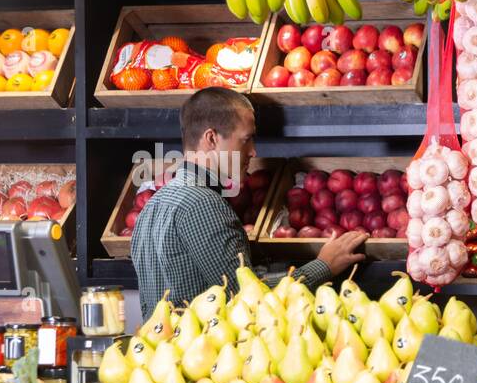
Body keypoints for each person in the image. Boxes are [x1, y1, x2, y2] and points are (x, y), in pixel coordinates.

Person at [131, 88, 367, 318]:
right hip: (204, 353)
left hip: (164, 353)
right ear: (211, 138)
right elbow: (247, 295)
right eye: (246, 140)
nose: (253, 152)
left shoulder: (154, 205)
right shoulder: (201, 203)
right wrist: (324, 265)